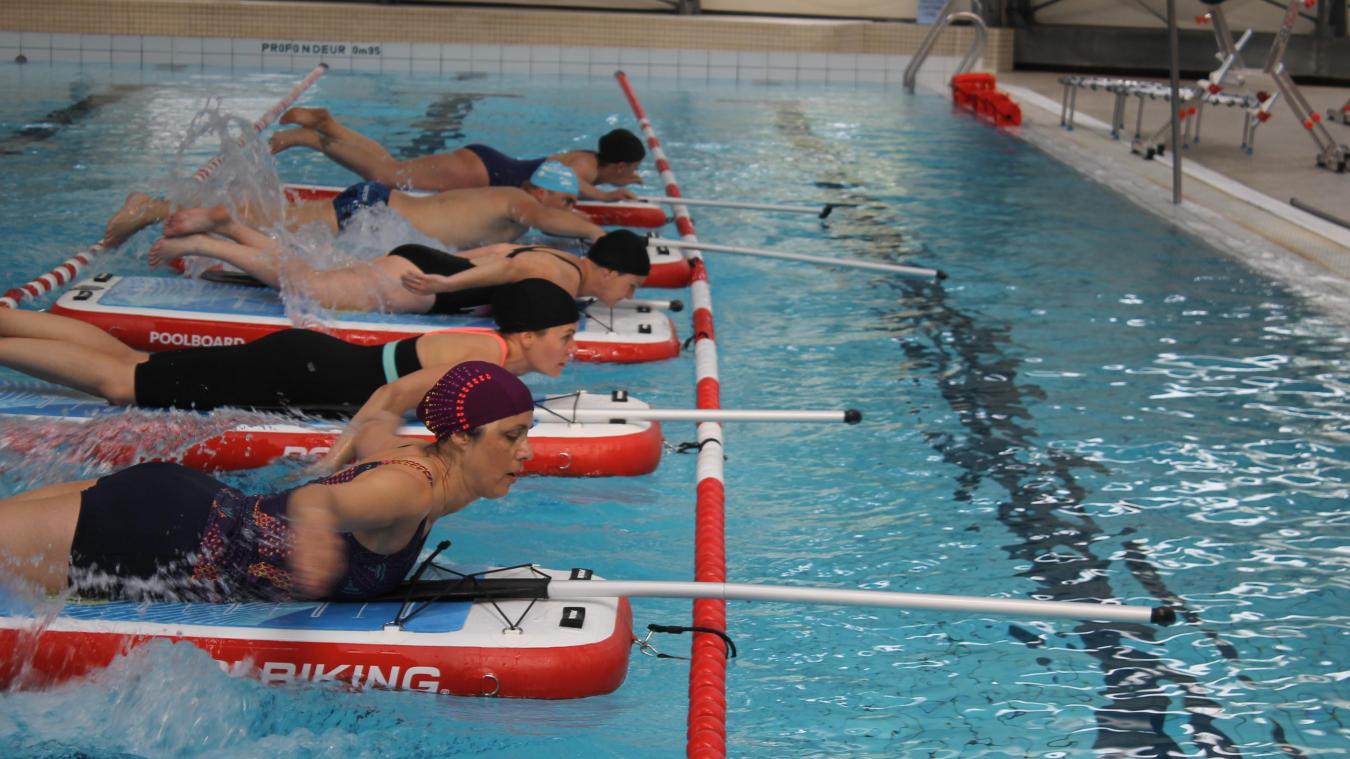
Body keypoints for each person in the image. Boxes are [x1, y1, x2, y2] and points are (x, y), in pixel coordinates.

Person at [0, 361, 535, 601]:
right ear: (461, 437)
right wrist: (317, 538)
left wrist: (464, 374)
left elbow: (380, 414)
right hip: (157, 536)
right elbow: (313, 506)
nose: (525, 452)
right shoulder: (410, 489)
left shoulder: (412, 457)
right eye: (511, 436)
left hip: (181, 505)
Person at [0, 278, 578, 417]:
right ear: (528, 336)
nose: (571, 350)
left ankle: (11, 323)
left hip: (305, 358)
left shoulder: (484, 346)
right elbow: (398, 395)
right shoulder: (487, 358)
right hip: (298, 374)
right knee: (120, 383)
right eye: (566, 337)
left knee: (135, 363)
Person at [147, 220, 651, 315]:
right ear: (608, 271)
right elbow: (506, 273)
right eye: (630, 285)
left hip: (428, 266)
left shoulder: (566, 261)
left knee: (312, 276)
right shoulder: (563, 276)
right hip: (427, 282)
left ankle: (234, 229)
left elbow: (500, 252)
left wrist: (452, 268)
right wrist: (449, 281)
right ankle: (202, 243)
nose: (627, 295)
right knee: (308, 287)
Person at [102, 160, 603, 249]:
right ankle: (149, 209)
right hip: (377, 217)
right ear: (545, 190)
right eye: (566, 199)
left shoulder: (510, 200)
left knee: (271, 222)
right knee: (267, 230)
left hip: (378, 210)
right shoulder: (521, 200)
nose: (567, 208)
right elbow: (547, 218)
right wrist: (598, 234)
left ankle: (154, 207)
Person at [270, 106, 645, 200]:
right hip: (481, 172)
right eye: (631, 170)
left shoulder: (590, 159)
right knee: (385, 176)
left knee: (389, 168)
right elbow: (570, 180)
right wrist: (607, 194)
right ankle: (312, 138)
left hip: (482, 164)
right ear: (622, 164)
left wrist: (614, 184)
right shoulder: (585, 165)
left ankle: (327, 128)